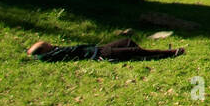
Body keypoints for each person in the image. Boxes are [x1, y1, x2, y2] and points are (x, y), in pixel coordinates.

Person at [27, 38, 185, 62]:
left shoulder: (56, 50)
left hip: (100, 48)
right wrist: (35, 54)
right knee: (134, 52)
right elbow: (39, 57)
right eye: (47, 44)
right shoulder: (54, 54)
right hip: (101, 54)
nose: (51, 44)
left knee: (128, 41)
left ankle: (141, 54)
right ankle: (169, 53)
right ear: (44, 50)